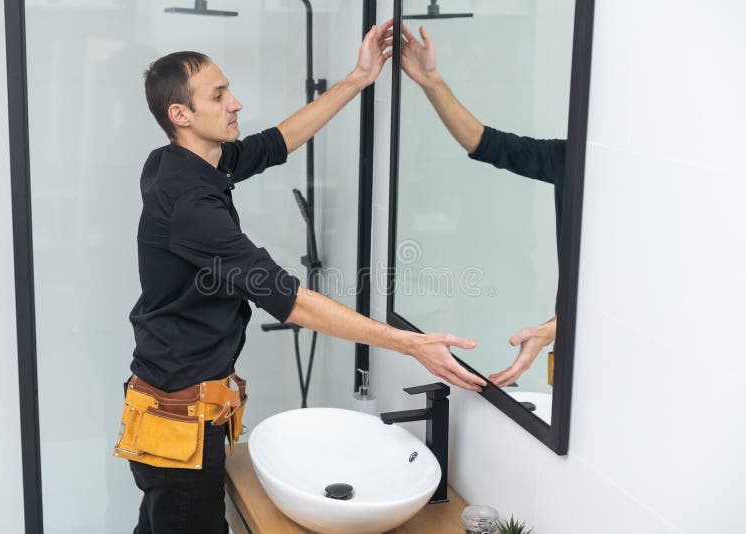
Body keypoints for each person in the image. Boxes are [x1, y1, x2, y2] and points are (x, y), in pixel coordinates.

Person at [122, 19, 486, 534]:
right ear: (180, 113)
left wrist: (358, 79)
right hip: (178, 418)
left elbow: (275, 143)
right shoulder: (188, 203)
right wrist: (409, 343)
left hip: (182, 406)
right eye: (219, 94)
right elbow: (289, 300)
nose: (236, 103)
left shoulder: (183, 163)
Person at [399, 24, 565, 388]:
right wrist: (430, 81)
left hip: (518, 274)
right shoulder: (571, 158)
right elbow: (485, 142)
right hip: (500, 278)